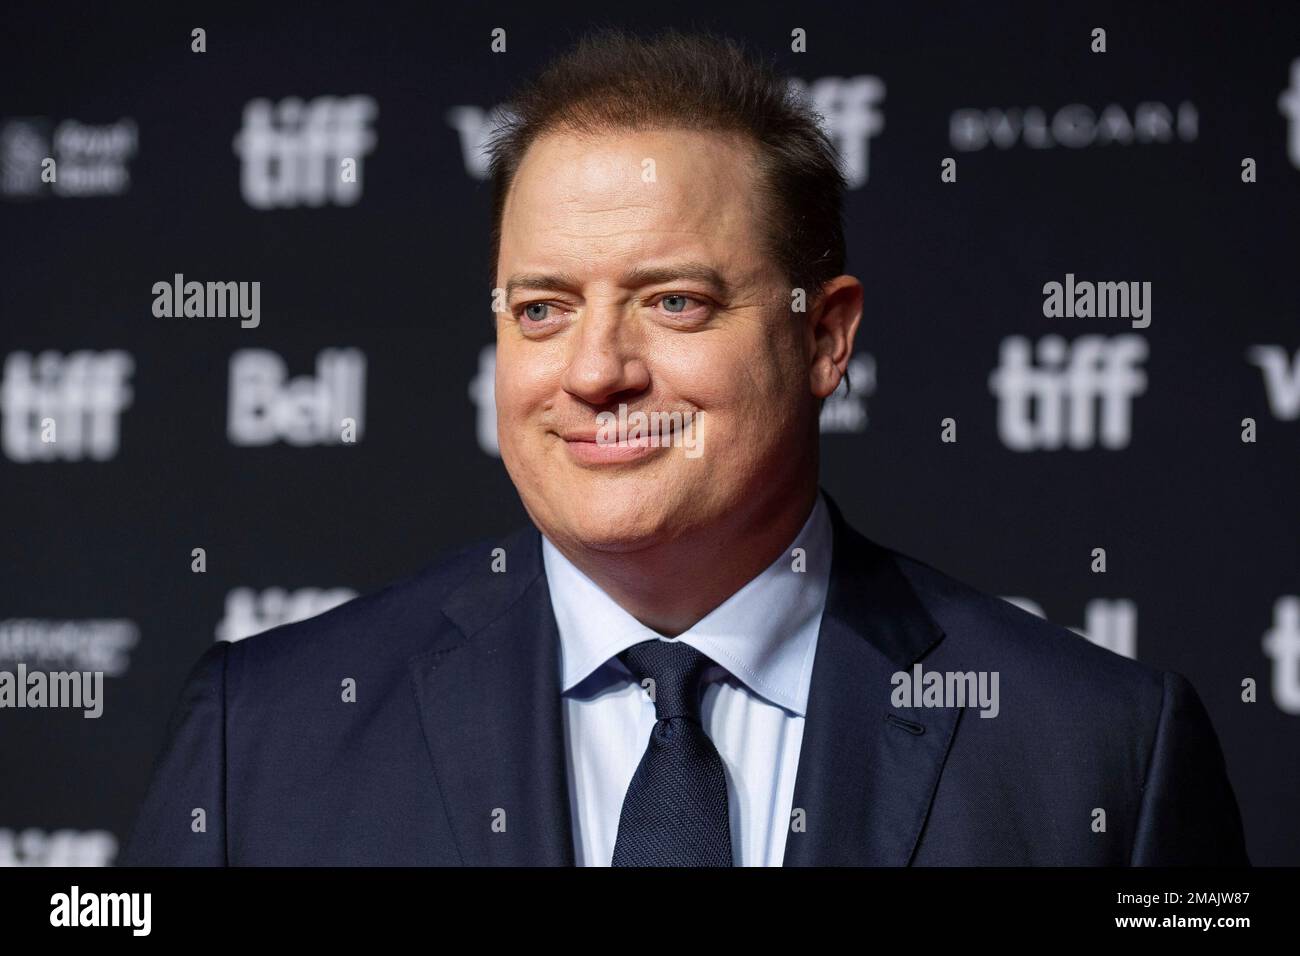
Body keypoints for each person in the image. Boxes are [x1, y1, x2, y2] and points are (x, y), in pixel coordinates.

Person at [120, 27, 1248, 867]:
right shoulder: (261, 735)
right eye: (543, 309)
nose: (596, 370)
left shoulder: (1098, 752)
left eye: (673, 302)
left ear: (823, 335)